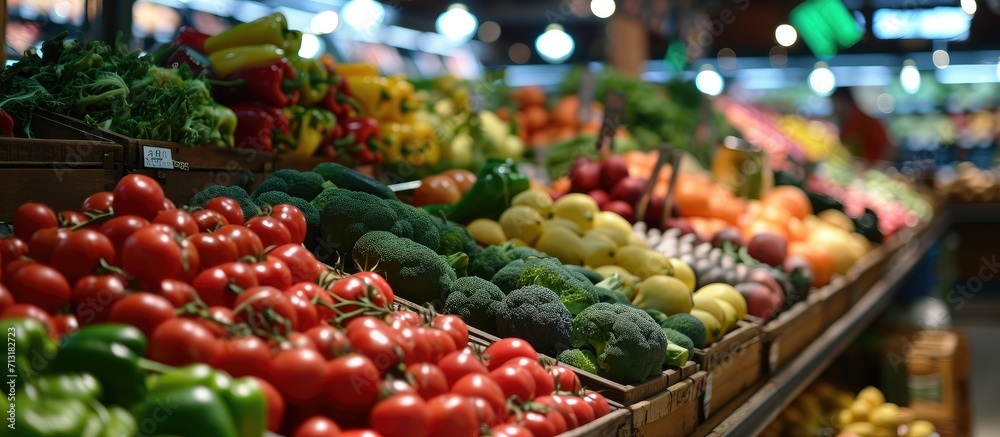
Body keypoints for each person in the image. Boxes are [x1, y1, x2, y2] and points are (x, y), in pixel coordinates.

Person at [830, 87, 895, 163]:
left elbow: (889, 149)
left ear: (845, 102)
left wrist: (875, 168)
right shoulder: (845, 124)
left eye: (835, 104)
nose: (834, 110)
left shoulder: (867, 122)